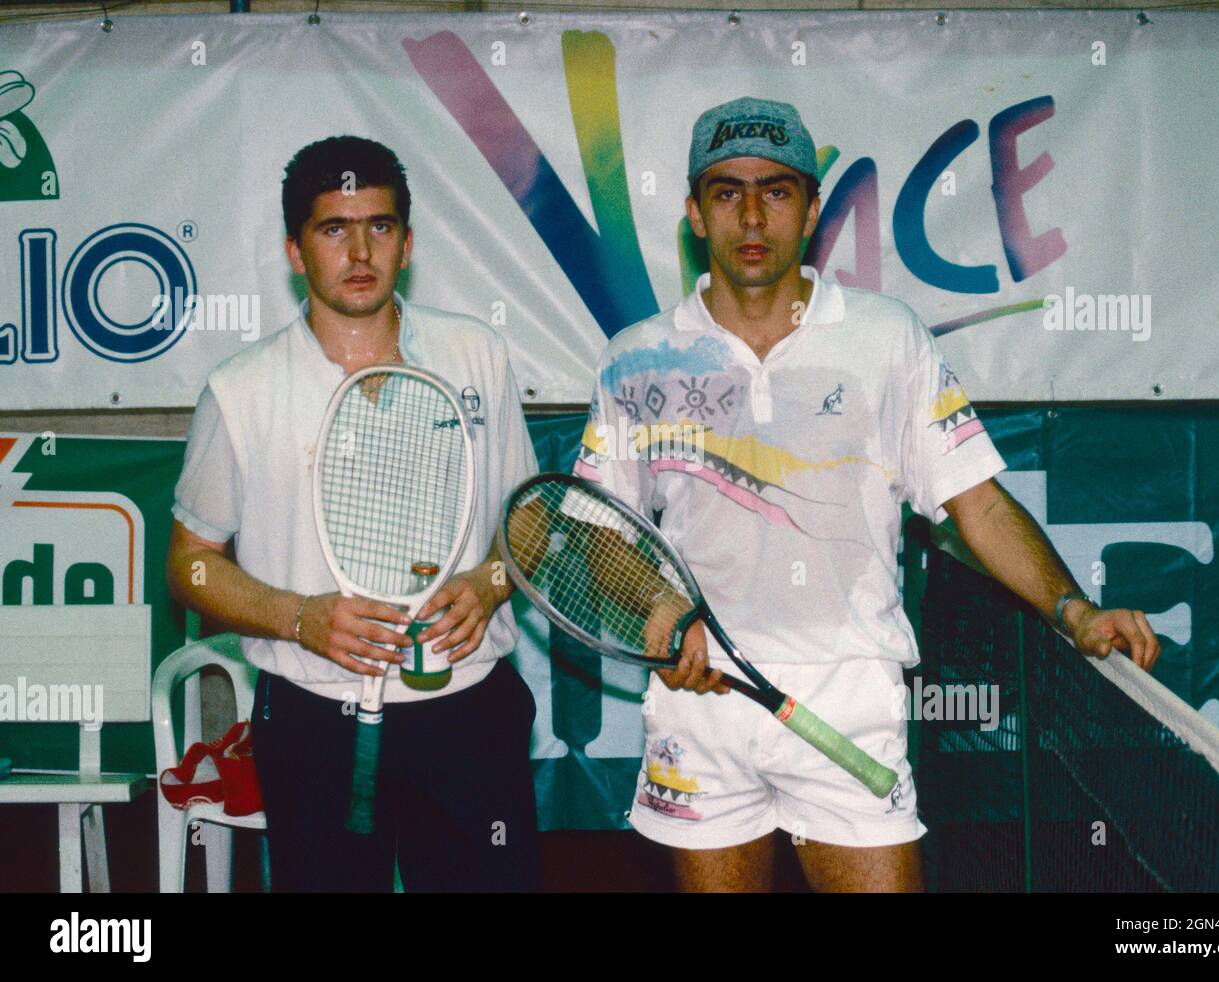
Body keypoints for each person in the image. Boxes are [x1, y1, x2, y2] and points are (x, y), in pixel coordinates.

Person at [576, 97, 1160, 893]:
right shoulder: (635, 359)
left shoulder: (888, 338)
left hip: (850, 695)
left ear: (812, 210)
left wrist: (1073, 610)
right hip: (702, 705)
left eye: (777, 191)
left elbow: (977, 505)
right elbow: (598, 529)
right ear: (693, 212)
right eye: (727, 191)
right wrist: (652, 603)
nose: (752, 214)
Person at [166, 136, 541, 892]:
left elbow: (527, 519)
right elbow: (191, 563)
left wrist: (492, 581)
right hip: (313, 720)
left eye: (380, 225)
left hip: (468, 709)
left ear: (407, 242)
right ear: (296, 252)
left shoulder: (477, 357)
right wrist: (299, 616)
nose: (360, 249)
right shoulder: (240, 390)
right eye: (334, 229)